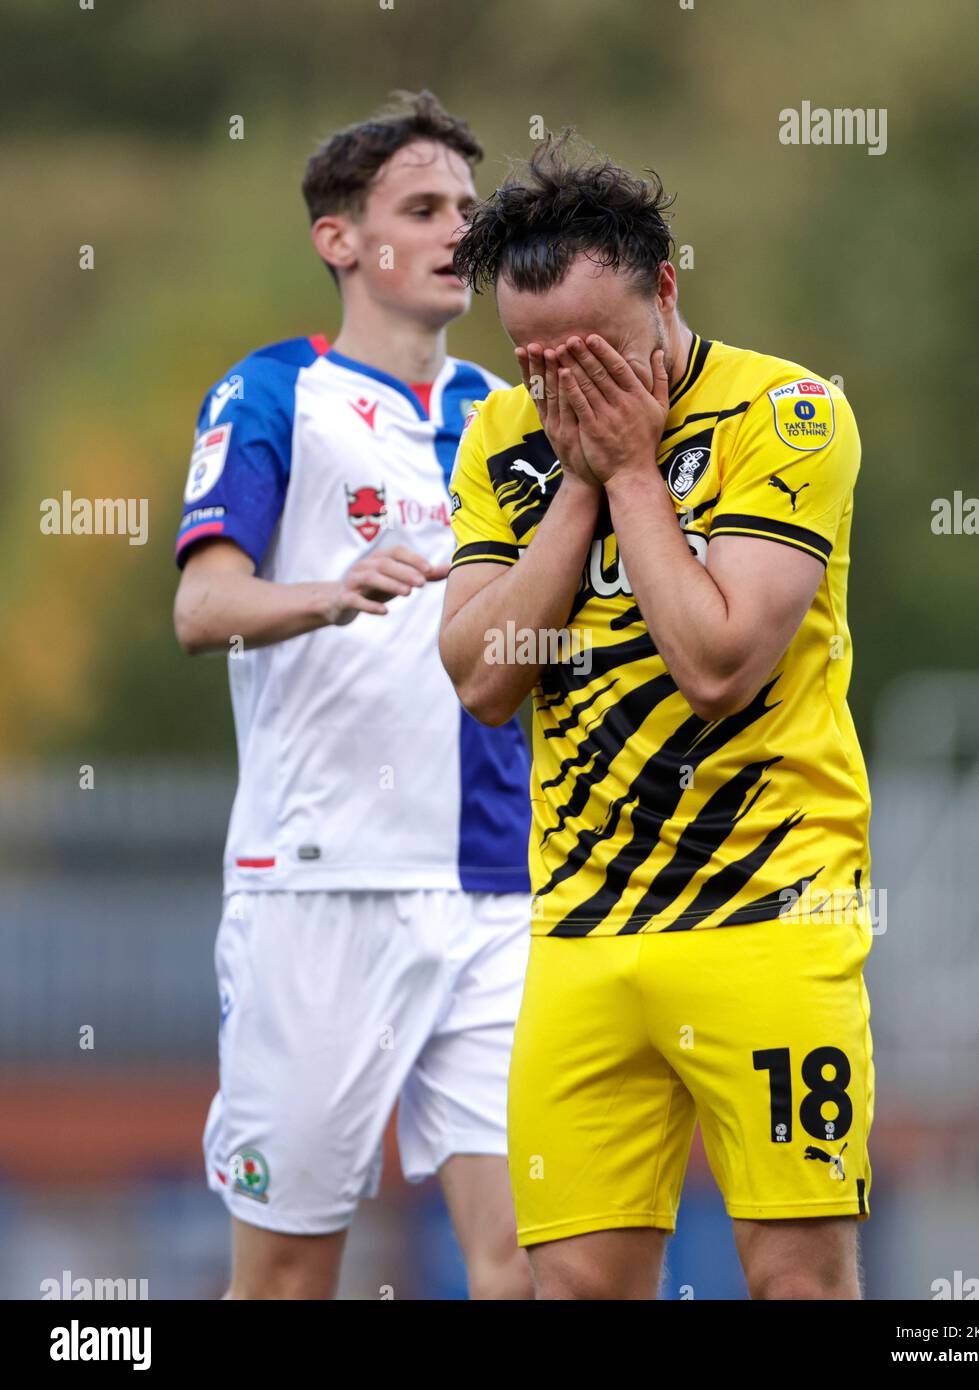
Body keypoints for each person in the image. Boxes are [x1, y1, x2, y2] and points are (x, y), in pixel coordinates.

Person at [439, 134, 874, 1300]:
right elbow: (479, 675)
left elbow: (720, 662)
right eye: (533, 362)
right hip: (582, 933)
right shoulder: (502, 441)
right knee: (572, 1285)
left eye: (592, 353)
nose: (559, 386)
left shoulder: (783, 415)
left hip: (765, 915)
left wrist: (631, 471)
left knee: (796, 1279)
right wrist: (578, 477)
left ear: (665, 289)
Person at [172, 90, 534, 1301]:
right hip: (321, 885)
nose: (456, 235)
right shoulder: (274, 393)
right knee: (284, 1279)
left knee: (529, 1263)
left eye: (467, 213)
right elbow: (202, 608)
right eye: (422, 209)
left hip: (495, 890)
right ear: (341, 240)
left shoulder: (509, 415)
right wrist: (332, 591)